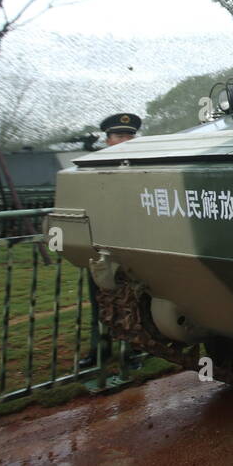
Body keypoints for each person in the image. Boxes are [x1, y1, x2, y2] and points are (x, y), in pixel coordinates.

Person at [79, 113, 143, 370]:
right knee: (99, 300)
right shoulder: (91, 166)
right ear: (107, 140)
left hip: (132, 244)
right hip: (100, 244)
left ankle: (133, 351)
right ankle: (99, 349)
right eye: (119, 136)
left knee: (133, 300)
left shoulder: (142, 164)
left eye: (129, 136)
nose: (124, 140)